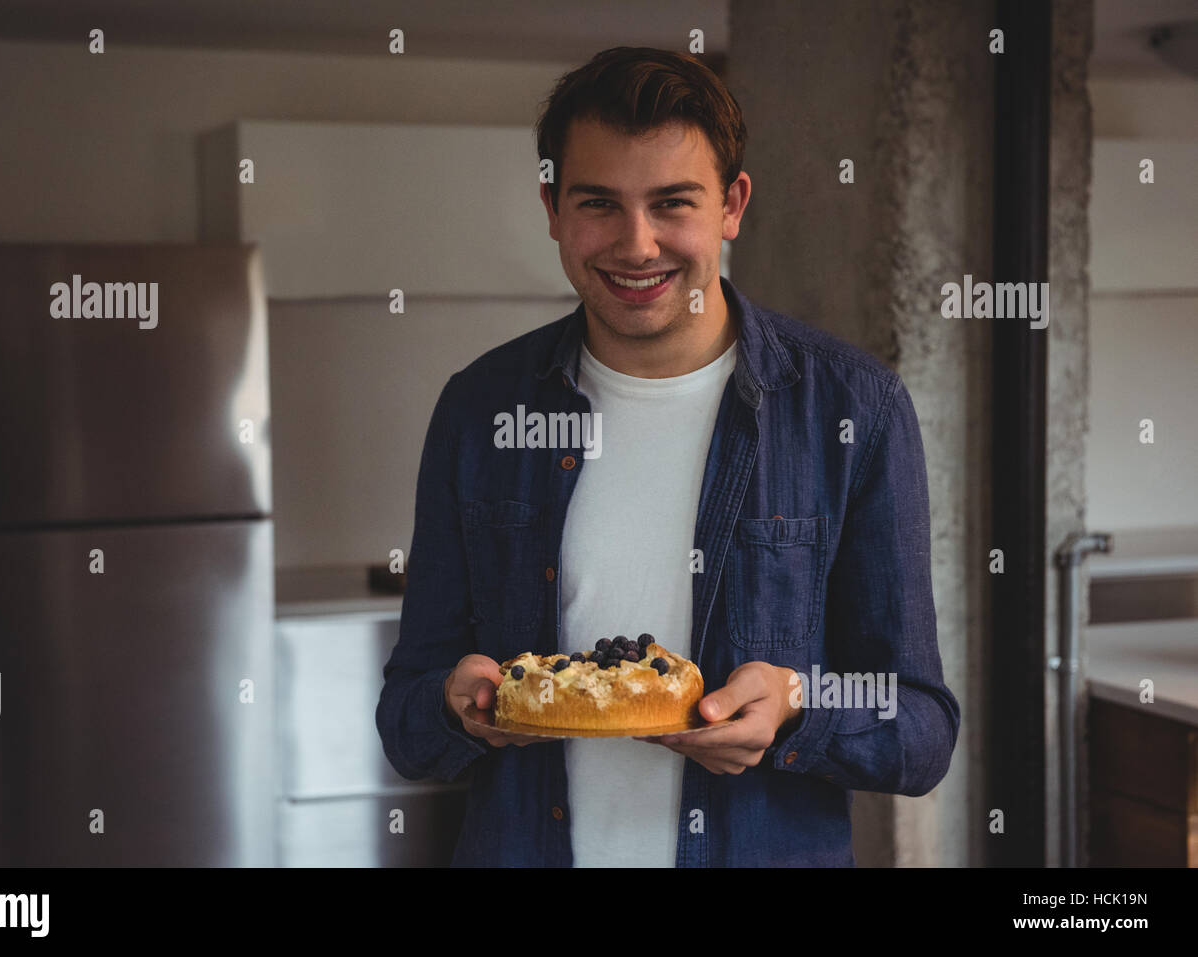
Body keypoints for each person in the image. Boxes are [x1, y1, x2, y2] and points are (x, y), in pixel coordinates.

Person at [376, 46, 959, 867]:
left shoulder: (855, 409)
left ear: (732, 204)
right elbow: (406, 717)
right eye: (598, 204)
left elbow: (923, 729)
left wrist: (796, 706)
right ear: (551, 206)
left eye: (672, 203)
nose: (637, 244)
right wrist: (449, 703)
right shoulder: (481, 408)